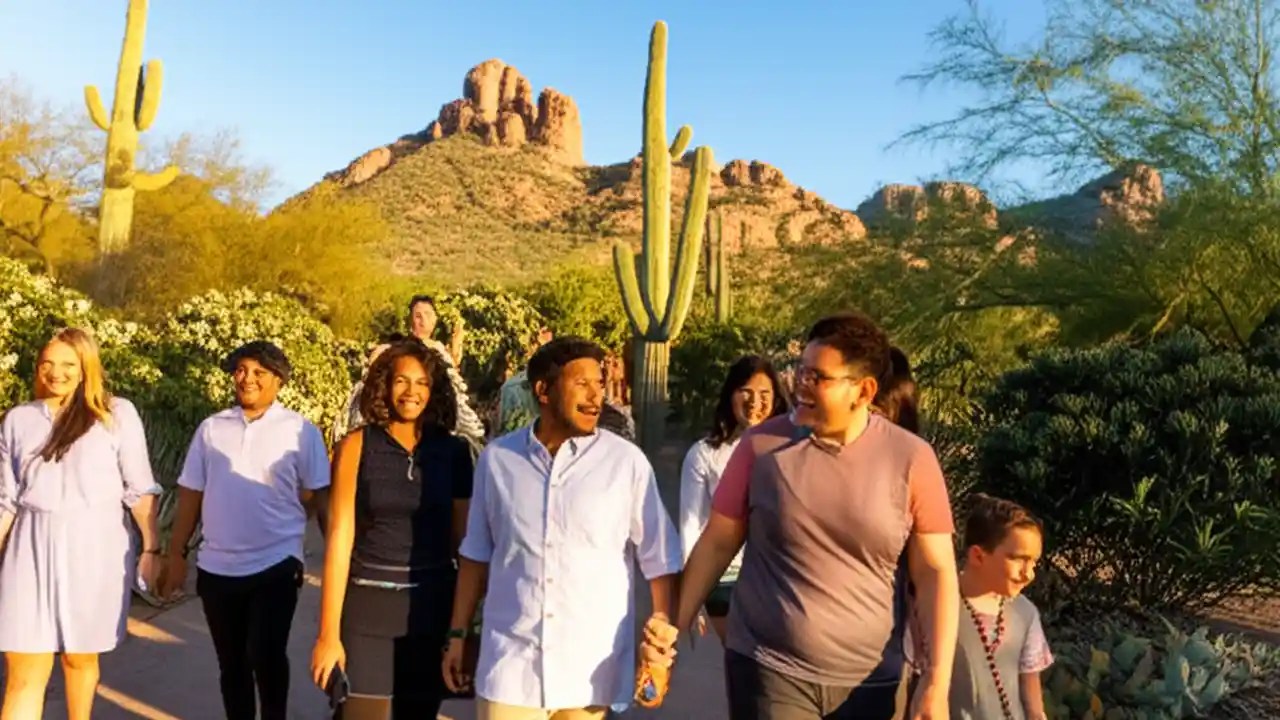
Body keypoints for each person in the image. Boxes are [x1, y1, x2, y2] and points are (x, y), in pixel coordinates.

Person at [675, 312, 959, 720]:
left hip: (872, 680)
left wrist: (937, 682)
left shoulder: (912, 459)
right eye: (799, 370)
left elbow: (936, 573)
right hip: (769, 667)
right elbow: (718, 541)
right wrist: (673, 626)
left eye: (817, 377)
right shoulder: (761, 447)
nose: (799, 385)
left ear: (863, 391)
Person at [441, 336, 683, 719]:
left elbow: (660, 558)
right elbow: (475, 556)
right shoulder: (498, 460)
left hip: (591, 673)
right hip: (510, 667)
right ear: (543, 390)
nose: (596, 396)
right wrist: (457, 636)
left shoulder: (626, 464)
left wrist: (659, 648)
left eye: (600, 384)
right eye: (582, 383)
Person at [160, 340, 331, 720]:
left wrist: (338, 560)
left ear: (278, 381)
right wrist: (176, 554)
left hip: (277, 562)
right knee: (232, 662)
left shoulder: (302, 431)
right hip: (217, 567)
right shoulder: (211, 429)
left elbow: (321, 498)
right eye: (241, 371)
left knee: (265, 653)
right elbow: (190, 492)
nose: (247, 379)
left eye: (259, 372)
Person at [0, 328, 161, 720]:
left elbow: (139, 489)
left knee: (78, 658)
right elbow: (6, 499)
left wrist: (152, 548)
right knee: (23, 670)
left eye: (68, 364)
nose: (57, 373)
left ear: (86, 367)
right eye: (48, 364)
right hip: (30, 547)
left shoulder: (116, 414)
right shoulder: (19, 419)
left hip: (95, 548)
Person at [311, 340, 474, 719]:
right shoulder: (356, 445)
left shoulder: (453, 453)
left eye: (421, 383)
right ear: (384, 385)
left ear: (434, 391)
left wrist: (460, 631)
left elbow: (464, 547)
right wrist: (327, 635)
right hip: (367, 606)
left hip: (431, 609)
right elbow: (340, 539)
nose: (411, 392)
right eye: (401, 381)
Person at [906, 494, 1052, 720]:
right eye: (1018, 559)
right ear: (978, 556)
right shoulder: (936, 607)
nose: (1029, 574)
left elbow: (1031, 691)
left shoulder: (1026, 614)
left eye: (1034, 562)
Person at [678, 355, 787, 641]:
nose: (755, 401)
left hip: (776, 575)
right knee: (741, 660)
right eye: (745, 392)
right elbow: (691, 525)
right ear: (730, 395)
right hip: (725, 579)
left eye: (764, 394)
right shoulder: (704, 453)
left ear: (776, 399)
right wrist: (693, 596)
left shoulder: (791, 450)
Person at [405, 295, 487, 457]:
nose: (423, 321)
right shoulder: (405, 350)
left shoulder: (439, 348)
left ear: (435, 319)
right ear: (410, 320)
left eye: (428, 315)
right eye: (418, 316)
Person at [495, 326, 554, 435]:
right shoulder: (512, 388)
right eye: (536, 343)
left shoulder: (564, 385)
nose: (541, 349)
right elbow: (504, 434)